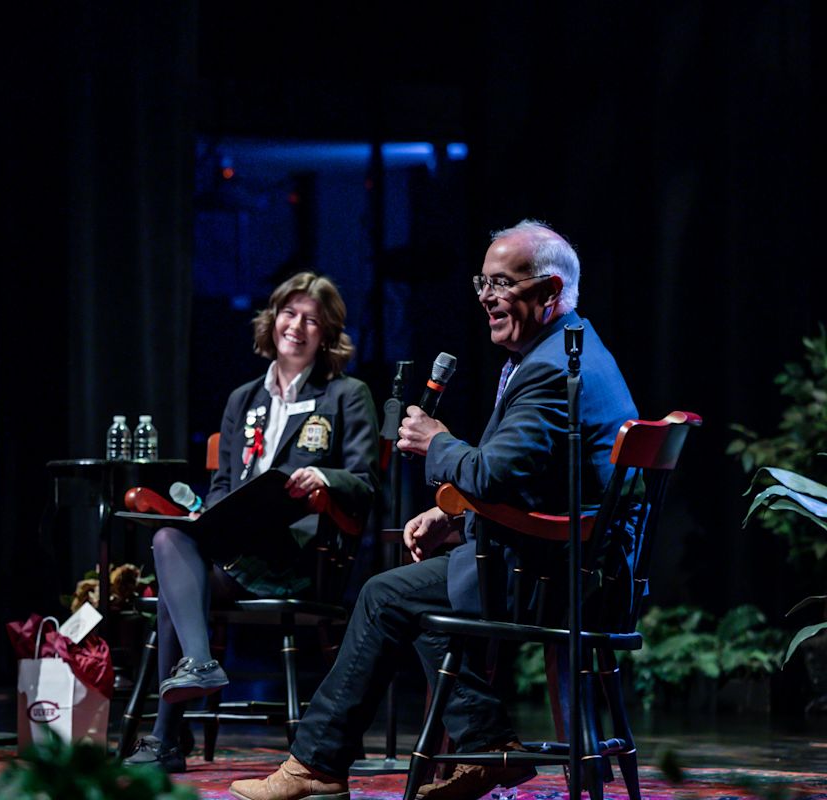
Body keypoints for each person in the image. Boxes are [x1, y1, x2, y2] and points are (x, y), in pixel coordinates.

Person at [229, 221, 637, 800]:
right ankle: (488, 748)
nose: (487, 297)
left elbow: (492, 473)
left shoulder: (551, 369)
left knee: (386, 596)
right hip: (568, 563)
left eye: (502, 283)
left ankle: (317, 765)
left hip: (554, 576)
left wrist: (436, 441)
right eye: (482, 283)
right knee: (418, 593)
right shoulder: (567, 349)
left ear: (549, 292)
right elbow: (537, 481)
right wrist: (454, 519)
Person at [124, 272, 380, 773]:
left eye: (312, 320)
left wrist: (323, 477)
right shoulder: (244, 399)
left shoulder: (346, 395)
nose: (297, 327)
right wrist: (210, 516)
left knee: (175, 575)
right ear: (273, 320)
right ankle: (198, 668)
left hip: (296, 556)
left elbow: (366, 484)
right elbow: (223, 485)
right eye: (289, 313)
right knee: (170, 538)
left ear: (327, 334)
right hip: (234, 550)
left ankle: (167, 736)